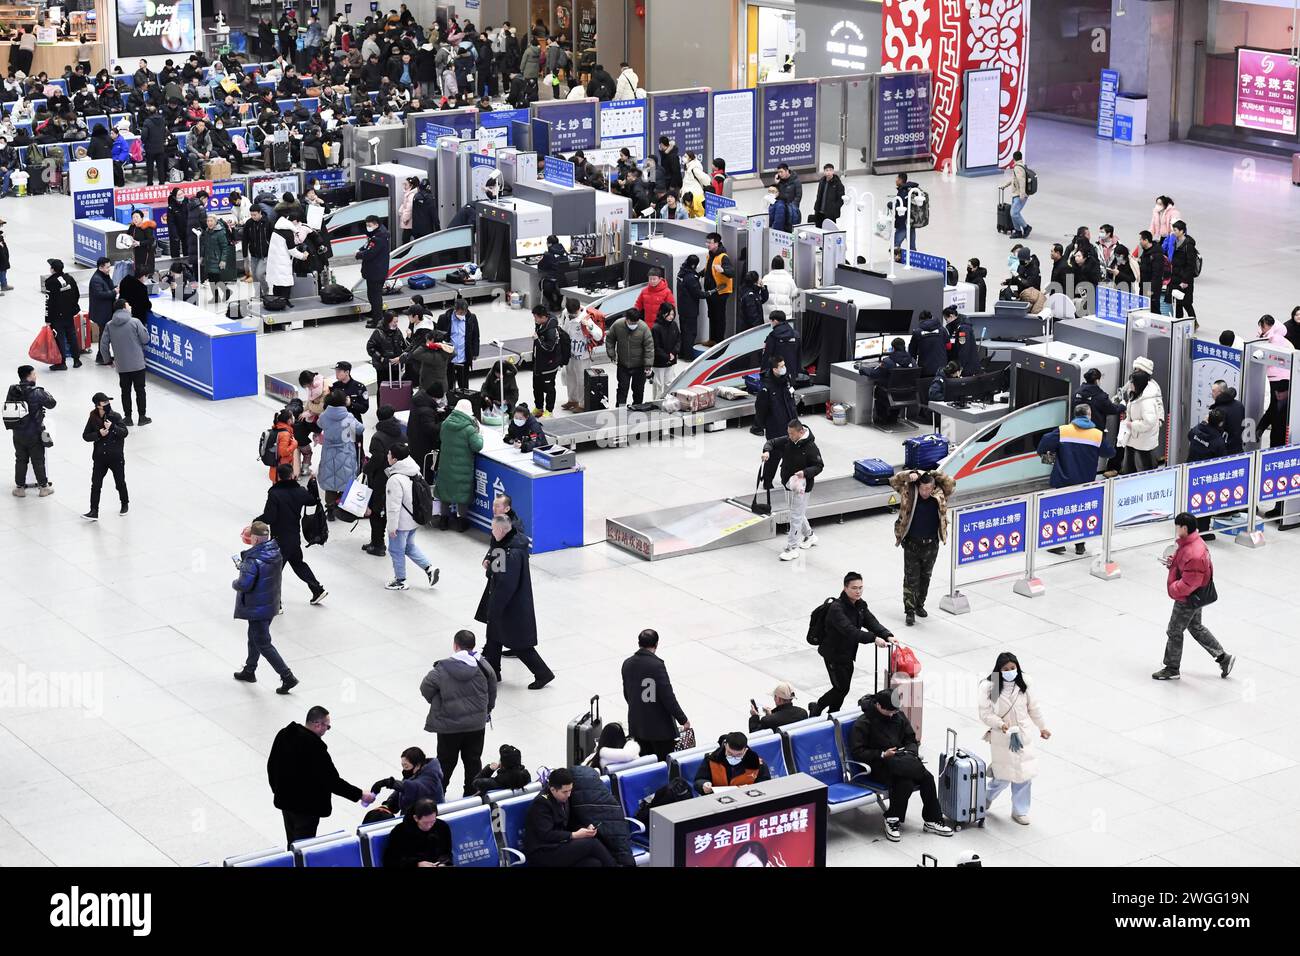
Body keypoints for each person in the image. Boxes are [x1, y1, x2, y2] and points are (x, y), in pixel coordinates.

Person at [849, 689, 953, 841]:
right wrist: (882, 754)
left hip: (902, 760)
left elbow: (911, 739)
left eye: (895, 711)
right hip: (878, 765)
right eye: (889, 711)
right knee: (904, 783)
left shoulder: (898, 716)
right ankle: (892, 819)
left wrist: (911, 752)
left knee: (927, 778)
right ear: (878, 705)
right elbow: (858, 751)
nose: (892, 714)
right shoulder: (864, 723)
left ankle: (932, 819)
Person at [267, 706, 375, 847]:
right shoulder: (315, 748)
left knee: (292, 841)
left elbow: (272, 765)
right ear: (318, 724)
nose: (327, 730)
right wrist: (360, 795)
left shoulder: (284, 734)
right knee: (303, 847)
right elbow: (332, 781)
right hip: (306, 808)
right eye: (327, 727)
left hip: (286, 802)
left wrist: (278, 791)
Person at [1154, 513, 1235, 681]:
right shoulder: (1194, 543)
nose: (1175, 529)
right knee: (1195, 627)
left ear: (1184, 528)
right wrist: (1173, 562)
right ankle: (1223, 657)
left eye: (1177, 526)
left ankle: (1172, 667)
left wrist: (1174, 589)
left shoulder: (1194, 552)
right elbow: (1186, 564)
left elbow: (1190, 582)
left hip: (1188, 598)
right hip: (1195, 596)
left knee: (1174, 630)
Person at [477, 514, 554, 689]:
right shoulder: (504, 545)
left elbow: (505, 585)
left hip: (510, 606)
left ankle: (543, 673)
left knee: (519, 644)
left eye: (494, 529)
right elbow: (493, 574)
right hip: (505, 603)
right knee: (494, 637)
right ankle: (493, 671)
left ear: (503, 530)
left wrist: (494, 609)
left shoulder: (510, 553)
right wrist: (490, 564)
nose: (491, 531)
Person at [808, 572, 898, 717]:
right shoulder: (837, 609)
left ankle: (833, 712)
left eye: (861, 588)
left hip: (847, 654)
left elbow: (871, 622)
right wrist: (874, 639)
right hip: (834, 654)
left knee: (842, 688)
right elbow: (850, 631)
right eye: (854, 588)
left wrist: (887, 635)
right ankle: (818, 707)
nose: (858, 591)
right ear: (845, 588)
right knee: (841, 688)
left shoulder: (860, 605)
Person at [421, 629, 497, 797]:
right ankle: (472, 797)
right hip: (476, 726)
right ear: (473, 645)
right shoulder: (483, 666)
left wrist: (437, 702)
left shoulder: (442, 668)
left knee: (445, 764)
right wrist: (486, 710)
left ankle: (437, 797)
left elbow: (425, 687)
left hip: (449, 727)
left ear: (455, 645)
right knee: (473, 762)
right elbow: (492, 690)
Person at [977, 653, 1050, 826]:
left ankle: (1020, 810)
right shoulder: (992, 687)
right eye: (1006, 669)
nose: (1010, 671)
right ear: (999, 670)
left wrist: (1042, 727)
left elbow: (1034, 708)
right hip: (1003, 737)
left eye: (1012, 668)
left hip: (1023, 736)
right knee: (1003, 775)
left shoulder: (1023, 684)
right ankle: (986, 798)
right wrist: (1000, 724)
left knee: (1024, 774)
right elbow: (986, 713)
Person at [229, 519, 298, 693]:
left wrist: (235, 581)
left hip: (257, 607)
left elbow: (244, 584)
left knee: (263, 643)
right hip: (270, 604)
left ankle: (287, 677)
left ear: (255, 539)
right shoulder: (275, 552)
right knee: (254, 638)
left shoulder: (253, 560)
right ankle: (249, 670)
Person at [889, 470, 957, 625]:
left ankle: (920, 604)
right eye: (923, 489)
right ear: (918, 486)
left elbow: (951, 483)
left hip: (931, 544)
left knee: (925, 577)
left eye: (928, 489)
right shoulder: (909, 492)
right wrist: (911, 474)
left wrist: (931, 473)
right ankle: (910, 611)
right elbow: (894, 481)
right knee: (911, 579)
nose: (925, 492)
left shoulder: (939, 494)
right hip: (912, 543)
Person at [258, 464, 328, 606]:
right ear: (292, 475)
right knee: (298, 564)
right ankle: (317, 590)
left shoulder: (274, 493)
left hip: (279, 540)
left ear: (278, 477)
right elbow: (312, 500)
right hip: (294, 538)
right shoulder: (299, 491)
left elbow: (270, 517)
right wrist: (311, 484)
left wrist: (257, 521)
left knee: (274, 571)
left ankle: (275, 603)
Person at [523, 768, 618, 867]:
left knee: (593, 863)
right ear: (552, 790)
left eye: (570, 790)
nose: (568, 795)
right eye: (565, 792)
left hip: (558, 846)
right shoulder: (541, 803)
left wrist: (585, 829)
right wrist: (574, 835)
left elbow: (568, 822)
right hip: (543, 852)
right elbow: (546, 834)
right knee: (592, 844)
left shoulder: (563, 797)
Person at [621, 628, 691, 763]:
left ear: (638, 643)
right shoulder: (656, 665)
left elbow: (627, 693)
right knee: (664, 764)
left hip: (638, 724)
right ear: (656, 644)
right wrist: (682, 719)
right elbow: (667, 696)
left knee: (645, 764)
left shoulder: (627, 663)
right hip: (659, 729)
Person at [761, 418, 824, 561]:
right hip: (788, 483)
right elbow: (771, 442)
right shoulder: (789, 440)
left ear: (801, 432)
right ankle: (810, 535)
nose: (789, 436)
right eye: (788, 433)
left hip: (802, 486)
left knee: (795, 515)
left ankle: (792, 547)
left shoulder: (811, 447)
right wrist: (767, 452)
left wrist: (805, 473)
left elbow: (819, 466)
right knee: (796, 512)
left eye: (792, 434)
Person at [383, 444, 440, 591]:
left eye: (389, 454)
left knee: (396, 550)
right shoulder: (414, 470)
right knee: (409, 546)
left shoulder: (395, 479)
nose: (387, 456)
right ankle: (429, 568)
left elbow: (393, 507)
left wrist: (392, 527)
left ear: (395, 459)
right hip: (414, 519)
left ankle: (400, 580)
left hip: (401, 522)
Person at [435, 399, 483, 531]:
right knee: (461, 492)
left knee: (445, 490)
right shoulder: (469, 429)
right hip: (463, 466)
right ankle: (462, 522)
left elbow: (441, 438)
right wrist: (480, 435)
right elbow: (478, 446)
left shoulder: (445, 423)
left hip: (445, 464)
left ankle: (443, 520)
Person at [80, 392, 129, 522]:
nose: (107, 405)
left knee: (120, 482)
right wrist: (99, 434)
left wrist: (112, 427)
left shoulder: (116, 416)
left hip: (115, 457)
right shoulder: (92, 418)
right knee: (96, 484)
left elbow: (124, 433)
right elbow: (85, 436)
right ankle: (94, 511)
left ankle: (124, 503)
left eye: (108, 402)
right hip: (100, 457)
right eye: (104, 403)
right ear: (98, 406)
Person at [8, 366, 56, 498]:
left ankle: (20, 488)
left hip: (17, 432)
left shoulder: (12, 390)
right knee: (38, 460)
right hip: (35, 433)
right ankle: (44, 488)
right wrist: (47, 394)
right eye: (34, 374)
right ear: (29, 376)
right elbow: (52, 403)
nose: (36, 376)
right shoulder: (37, 392)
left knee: (20, 459)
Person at [1118, 358, 1164, 473]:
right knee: (1130, 460)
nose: (1135, 371)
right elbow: (1124, 393)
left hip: (1143, 434)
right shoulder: (1134, 384)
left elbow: (1158, 406)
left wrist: (1159, 420)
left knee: (1145, 460)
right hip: (1133, 432)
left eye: (1138, 369)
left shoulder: (1151, 391)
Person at [1256, 314, 1294, 448]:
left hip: (1279, 378)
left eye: (1263, 326)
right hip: (1281, 377)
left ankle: (1261, 427)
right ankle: (1261, 428)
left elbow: (1271, 356)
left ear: (1268, 325)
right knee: (1277, 407)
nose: (1262, 328)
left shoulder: (1274, 338)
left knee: (1276, 407)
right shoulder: (1274, 336)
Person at [371, 747, 445, 814]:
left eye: (406, 766)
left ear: (418, 765)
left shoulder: (431, 778)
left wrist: (388, 783)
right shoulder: (414, 772)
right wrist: (388, 804)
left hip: (428, 818)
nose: (404, 769)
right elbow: (400, 789)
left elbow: (411, 787)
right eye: (402, 765)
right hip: (414, 814)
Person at [560, 298, 603, 411]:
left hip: (582, 355)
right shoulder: (565, 313)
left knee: (582, 380)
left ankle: (583, 403)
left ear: (579, 309)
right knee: (570, 377)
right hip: (569, 353)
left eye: (574, 313)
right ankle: (572, 400)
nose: (572, 315)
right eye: (570, 313)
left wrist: (589, 326)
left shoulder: (586, 318)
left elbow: (599, 335)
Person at [382, 799, 453, 867]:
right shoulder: (400, 832)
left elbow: (447, 854)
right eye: (425, 823)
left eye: (433, 821)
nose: (429, 826)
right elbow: (391, 861)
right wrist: (417, 864)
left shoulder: (442, 827)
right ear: (416, 818)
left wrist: (444, 863)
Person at [694, 731, 770, 795]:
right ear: (725, 745)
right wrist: (703, 785)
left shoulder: (757, 764)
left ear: (745, 750)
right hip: (718, 802)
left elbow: (766, 785)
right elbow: (699, 780)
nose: (733, 757)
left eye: (738, 755)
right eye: (730, 754)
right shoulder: (711, 760)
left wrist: (752, 789)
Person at [605, 309, 653, 407]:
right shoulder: (618, 325)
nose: (633, 324)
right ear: (626, 319)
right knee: (622, 389)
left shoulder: (643, 328)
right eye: (631, 322)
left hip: (639, 366)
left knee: (638, 390)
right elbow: (610, 339)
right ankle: (620, 411)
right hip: (623, 365)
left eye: (635, 322)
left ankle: (637, 407)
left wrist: (648, 364)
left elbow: (649, 347)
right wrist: (612, 354)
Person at [865, 338, 917, 424]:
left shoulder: (888, 361)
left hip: (890, 395)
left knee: (879, 389)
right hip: (909, 394)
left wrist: (862, 369)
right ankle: (894, 417)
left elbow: (874, 374)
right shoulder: (913, 361)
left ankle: (881, 419)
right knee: (898, 387)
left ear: (893, 348)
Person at [44, 258, 82, 370]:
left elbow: (49, 302)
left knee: (59, 338)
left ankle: (62, 362)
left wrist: (47, 318)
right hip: (69, 314)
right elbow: (77, 294)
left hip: (57, 316)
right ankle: (76, 360)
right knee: (72, 336)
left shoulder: (50, 282)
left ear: (53, 269)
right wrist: (72, 307)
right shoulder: (69, 278)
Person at [436, 298, 481, 392]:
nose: (462, 315)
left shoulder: (471, 318)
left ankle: (464, 399)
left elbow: (475, 336)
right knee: (449, 383)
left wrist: (475, 352)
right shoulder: (444, 319)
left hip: (464, 356)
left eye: (464, 313)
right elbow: (438, 337)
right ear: (455, 310)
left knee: (464, 384)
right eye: (460, 313)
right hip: (449, 357)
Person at [357, 214, 391, 328]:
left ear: (376, 224)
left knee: (375, 296)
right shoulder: (378, 234)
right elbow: (368, 246)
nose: (368, 227)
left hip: (376, 271)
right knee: (372, 295)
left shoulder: (379, 237)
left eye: (369, 225)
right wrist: (361, 249)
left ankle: (378, 321)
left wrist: (359, 254)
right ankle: (376, 317)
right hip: (376, 270)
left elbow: (370, 253)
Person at [753, 356, 799, 441]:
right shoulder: (766, 387)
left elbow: (791, 395)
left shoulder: (786, 379)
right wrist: (761, 426)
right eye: (781, 366)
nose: (784, 368)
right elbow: (760, 408)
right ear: (774, 369)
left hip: (790, 421)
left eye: (784, 365)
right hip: (775, 427)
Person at [700, 233, 734, 346]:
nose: (708, 244)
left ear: (717, 243)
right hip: (711, 291)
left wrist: (722, 270)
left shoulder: (723, 257)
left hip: (720, 292)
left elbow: (732, 273)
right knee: (712, 315)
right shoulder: (710, 255)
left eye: (710, 242)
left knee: (719, 317)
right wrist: (699, 274)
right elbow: (708, 269)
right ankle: (712, 339)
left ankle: (719, 342)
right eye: (707, 242)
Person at [529, 303, 563, 417]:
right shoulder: (539, 325)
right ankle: (539, 408)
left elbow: (549, 348)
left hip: (549, 365)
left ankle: (549, 410)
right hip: (538, 364)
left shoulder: (551, 330)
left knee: (549, 388)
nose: (534, 319)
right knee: (536, 387)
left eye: (536, 317)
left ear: (543, 317)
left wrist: (537, 340)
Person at [266, 218, 307, 305]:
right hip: (283, 264)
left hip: (275, 264)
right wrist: (303, 256)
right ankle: (284, 308)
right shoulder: (287, 232)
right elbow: (292, 250)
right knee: (285, 289)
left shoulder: (276, 230)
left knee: (276, 287)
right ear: (294, 221)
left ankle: (276, 306)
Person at [1073, 367, 1124, 434]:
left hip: (1077, 430)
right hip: (1094, 432)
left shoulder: (1076, 393)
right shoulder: (1101, 396)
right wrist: (1122, 405)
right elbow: (1113, 409)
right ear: (1097, 381)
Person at [87, 258, 117, 364]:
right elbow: (100, 294)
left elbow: (110, 286)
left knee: (105, 335)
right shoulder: (96, 279)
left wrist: (115, 288)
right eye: (107, 267)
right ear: (100, 267)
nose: (109, 269)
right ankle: (102, 357)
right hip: (101, 312)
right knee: (104, 336)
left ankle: (103, 355)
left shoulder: (104, 276)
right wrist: (114, 292)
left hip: (106, 311)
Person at [675, 254, 707, 354]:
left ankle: (682, 353)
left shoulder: (681, 273)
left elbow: (691, 278)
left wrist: (699, 274)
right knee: (691, 333)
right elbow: (698, 293)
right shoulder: (691, 277)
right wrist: (711, 292)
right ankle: (688, 355)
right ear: (693, 265)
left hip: (682, 309)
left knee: (684, 332)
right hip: (691, 310)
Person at [366, 311, 407, 386]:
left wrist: (401, 358)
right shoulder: (378, 333)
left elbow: (404, 346)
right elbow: (370, 348)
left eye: (396, 322)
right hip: (383, 366)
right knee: (383, 388)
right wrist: (381, 358)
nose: (396, 324)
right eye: (394, 322)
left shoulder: (397, 332)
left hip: (395, 365)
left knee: (395, 387)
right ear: (388, 321)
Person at [650, 302, 682, 399]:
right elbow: (656, 346)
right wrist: (667, 356)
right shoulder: (656, 328)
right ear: (663, 313)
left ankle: (669, 401)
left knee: (669, 382)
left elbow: (679, 340)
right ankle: (656, 402)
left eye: (673, 314)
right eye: (669, 314)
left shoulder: (674, 325)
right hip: (659, 361)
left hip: (671, 359)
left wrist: (674, 353)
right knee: (658, 383)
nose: (671, 317)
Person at [1166, 220, 1198, 319]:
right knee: (1177, 302)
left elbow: (1190, 265)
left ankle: (1193, 321)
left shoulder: (1188, 246)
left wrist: (1185, 280)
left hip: (1184, 278)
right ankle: (1178, 321)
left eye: (1175, 230)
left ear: (1182, 231)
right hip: (1175, 276)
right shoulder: (1177, 242)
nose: (1173, 232)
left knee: (1186, 302)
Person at [1134, 231, 1168, 314]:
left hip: (1152, 286)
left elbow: (1157, 274)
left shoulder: (1156, 254)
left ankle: (1158, 324)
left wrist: (1151, 290)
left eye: (1141, 239)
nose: (1140, 241)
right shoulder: (1145, 250)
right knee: (1143, 307)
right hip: (1144, 283)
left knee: (1154, 307)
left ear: (1146, 240)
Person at [908, 310, 949, 377]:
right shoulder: (943, 330)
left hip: (925, 369)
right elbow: (948, 347)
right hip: (942, 368)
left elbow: (912, 352)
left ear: (920, 320)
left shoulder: (917, 332)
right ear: (931, 317)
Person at [1210, 380, 1245, 455]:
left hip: (1224, 451)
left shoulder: (1218, 410)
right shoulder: (1239, 405)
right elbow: (1242, 426)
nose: (1211, 393)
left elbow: (1214, 433)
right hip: (1238, 448)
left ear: (1220, 393)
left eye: (1213, 391)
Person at [1002, 149, 1031, 238]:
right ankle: (1018, 231)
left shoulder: (1018, 167)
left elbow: (1021, 180)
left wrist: (1022, 193)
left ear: (1014, 158)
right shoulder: (1020, 166)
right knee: (1014, 213)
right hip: (1016, 193)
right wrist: (1006, 185)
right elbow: (1015, 179)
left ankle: (1026, 227)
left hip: (1019, 194)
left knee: (1014, 213)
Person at [770, 163, 802, 231]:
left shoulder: (796, 181)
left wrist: (792, 208)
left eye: (781, 172)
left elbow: (798, 196)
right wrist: (776, 184)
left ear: (787, 171)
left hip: (791, 211)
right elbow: (776, 195)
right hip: (780, 210)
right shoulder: (779, 181)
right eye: (778, 172)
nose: (780, 174)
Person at [811, 163, 845, 228]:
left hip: (830, 214)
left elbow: (841, 200)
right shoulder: (822, 181)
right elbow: (819, 195)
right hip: (819, 212)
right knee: (818, 230)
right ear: (824, 172)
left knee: (829, 231)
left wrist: (833, 209)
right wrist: (816, 208)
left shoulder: (838, 184)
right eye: (827, 170)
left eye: (830, 170)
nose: (829, 172)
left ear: (833, 171)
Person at [127, 209, 157, 281]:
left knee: (145, 271)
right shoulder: (132, 226)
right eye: (133, 217)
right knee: (137, 269)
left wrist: (139, 243)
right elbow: (128, 234)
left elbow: (151, 240)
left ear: (142, 218)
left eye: (137, 217)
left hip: (146, 252)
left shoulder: (146, 227)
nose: (135, 219)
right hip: (136, 252)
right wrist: (130, 239)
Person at [892, 173, 919, 253]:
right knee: (912, 245)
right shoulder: (909, 189)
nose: (895, 180)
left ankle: (894, 258)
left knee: (896, 244)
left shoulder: (903, 191)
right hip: (911, 220)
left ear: (900, 180)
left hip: (903, 222)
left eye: (897, 178)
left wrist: (892, 205)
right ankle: (913, 259)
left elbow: (901, 205)